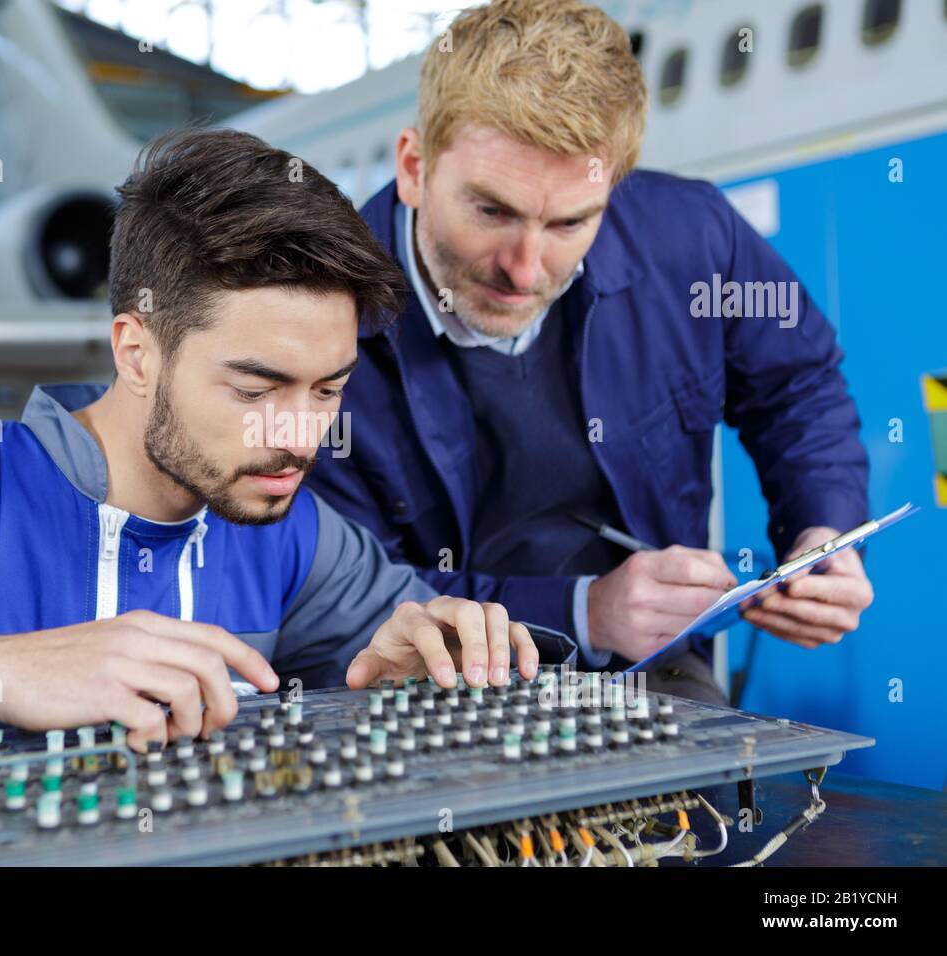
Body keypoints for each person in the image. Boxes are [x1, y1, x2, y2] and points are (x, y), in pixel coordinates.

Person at [0, 129, 564, 769]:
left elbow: (410, 644)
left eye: (326, 391)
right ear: (136, 350)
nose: (300, 437)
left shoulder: (291, 533)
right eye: (254, 389)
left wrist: (439, 649)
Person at [306, 0, 872, 704]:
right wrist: (586, 612)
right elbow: (337, 594)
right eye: (492, 210)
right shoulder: (315, 325)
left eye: (571, 221)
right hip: (418, 681)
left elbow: (799, 388)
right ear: (415, 166)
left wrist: (825, 533)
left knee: (719, 809)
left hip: (653, 668)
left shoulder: (692, 239)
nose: (524, 267)